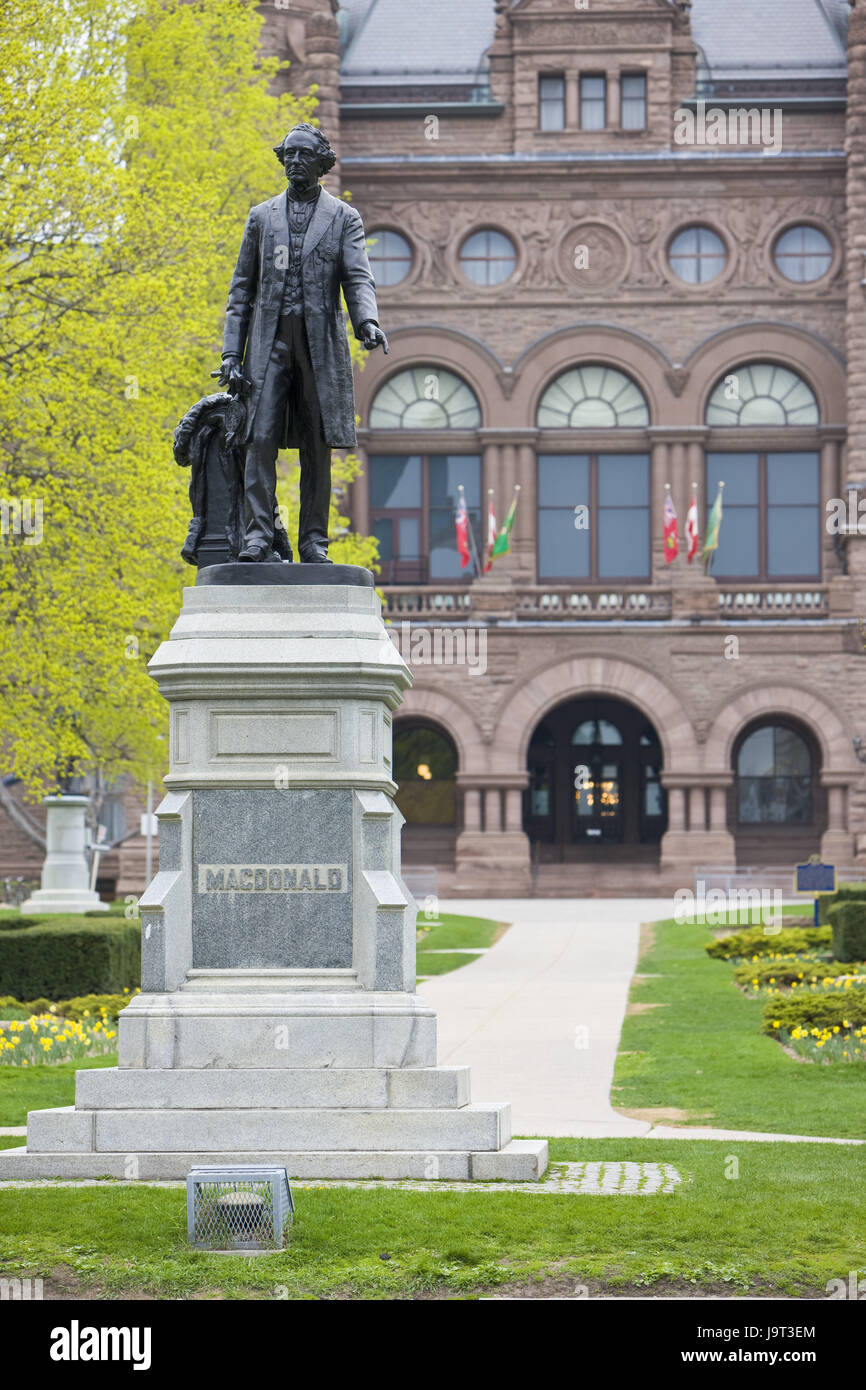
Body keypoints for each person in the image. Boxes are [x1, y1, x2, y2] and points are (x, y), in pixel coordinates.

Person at [218, 123, 388, 562]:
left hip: (318, 345)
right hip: (268, 343)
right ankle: (258, 536)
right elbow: (241, 291)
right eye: (288, 154)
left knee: (318, 443)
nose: (293, 161)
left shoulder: (344, 217)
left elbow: (357, 277)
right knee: (259, 437)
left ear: (322, 163)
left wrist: (366, 322)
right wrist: (232, 353)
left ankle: (314, 541)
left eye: (302, 155)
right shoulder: (261, 217)